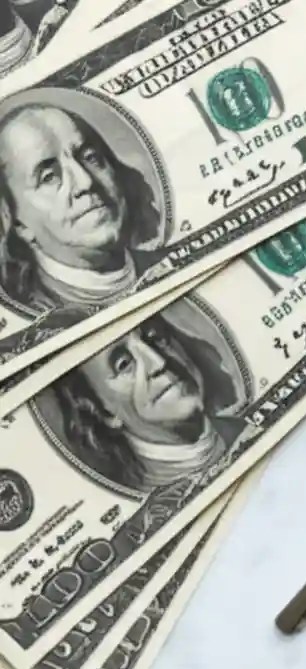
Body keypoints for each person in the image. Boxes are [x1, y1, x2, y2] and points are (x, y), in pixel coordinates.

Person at [48, 309, 245, 493]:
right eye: (124, 364)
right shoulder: (140, 493)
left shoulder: (246, 429)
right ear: (103, 412)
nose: (159, 361)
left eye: (154, 337)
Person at [0, 102, 160, 311]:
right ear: (18, 223)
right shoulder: (36, 316)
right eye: (49, 177)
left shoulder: (166, 265)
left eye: (90, 157)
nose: (85, 181)